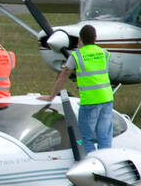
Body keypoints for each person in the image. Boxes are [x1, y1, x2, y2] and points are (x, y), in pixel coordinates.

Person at [41, 24, 113, 152]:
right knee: (105, 137)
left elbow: (64, 75)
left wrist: (52, 96)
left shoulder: (77, 56)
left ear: (80, 39)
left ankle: (91, 163)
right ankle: (105, 160)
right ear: (95, 38)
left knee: (85, 138)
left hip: (90, 101)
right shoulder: (104, 53)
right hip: (107, 98)